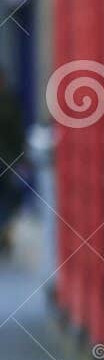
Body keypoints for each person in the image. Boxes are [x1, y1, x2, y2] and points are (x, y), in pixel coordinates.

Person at [0, 67, 27, 255]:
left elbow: (17, 133)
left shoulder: (9, 101)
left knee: (8, 199)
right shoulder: (10, 101)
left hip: (7, 161)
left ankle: (5, 232)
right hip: (8, 160)